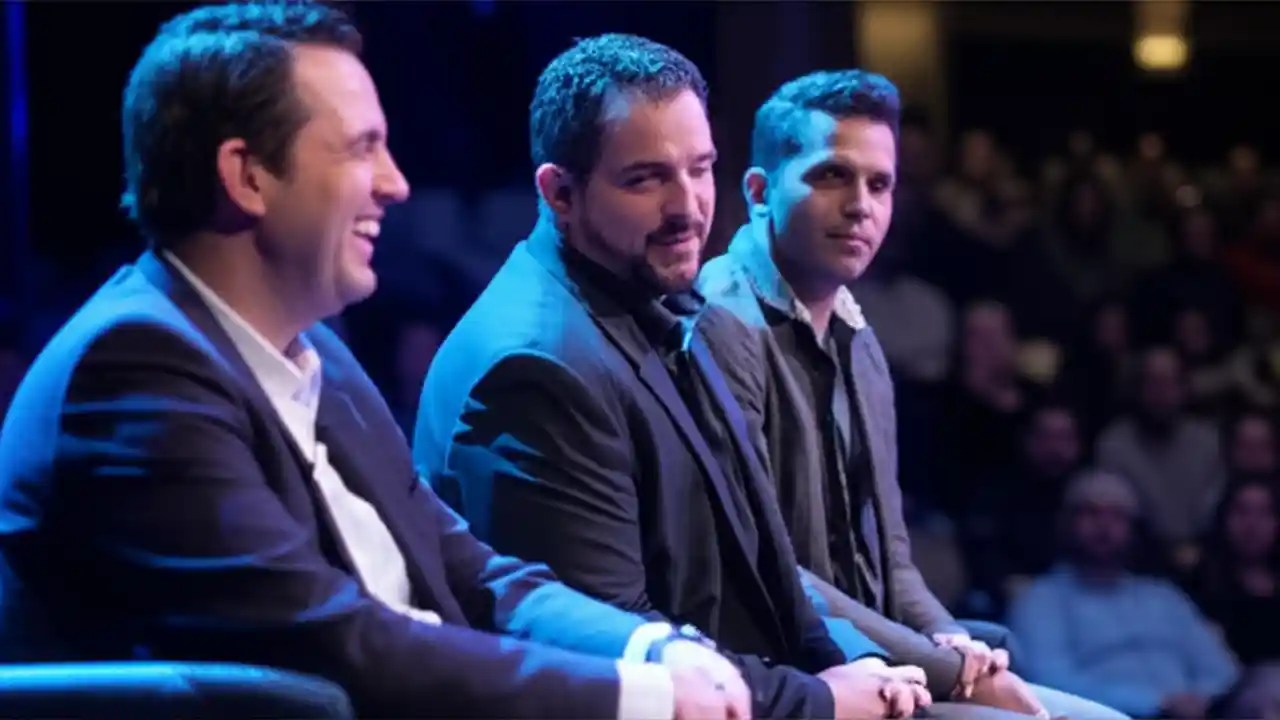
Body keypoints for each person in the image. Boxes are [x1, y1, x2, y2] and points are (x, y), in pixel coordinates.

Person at [0, 4, 754, 719]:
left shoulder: (315, 345)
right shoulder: (135, 370)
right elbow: (331, 640)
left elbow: (468, 567)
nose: (396, 183)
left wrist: (649, 647)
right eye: (363, 147)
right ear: (247, 176)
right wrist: (638, 700)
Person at [415, 34, 930, 720]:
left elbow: (768, 561)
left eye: (700, 168)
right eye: (646, 178)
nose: (689, 207)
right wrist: (821, 698)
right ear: (560, 193)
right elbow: (617, 655)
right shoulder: (537, 367)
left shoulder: (664, 298)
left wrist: (856, 659)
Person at [696, 68, 1126, 720]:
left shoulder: (858, 335)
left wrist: (955, 642)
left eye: (880, 184)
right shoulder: (720, 321)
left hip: (884, 661)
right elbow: (766, 566)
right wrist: (954, 672)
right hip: (792, 671)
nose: (861, 205)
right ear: (760, 191)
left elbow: (893, 563)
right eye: (832, 175)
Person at [1009, 470, 1239, 719]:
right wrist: (1156, 703)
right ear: (1067, 522)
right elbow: (1049, 682)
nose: (1104, 526)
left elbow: (1221, 670)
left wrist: (1198, 699)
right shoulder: (1040, 600)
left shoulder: (1164, 596)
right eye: (1091, 513)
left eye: (1117, 516)